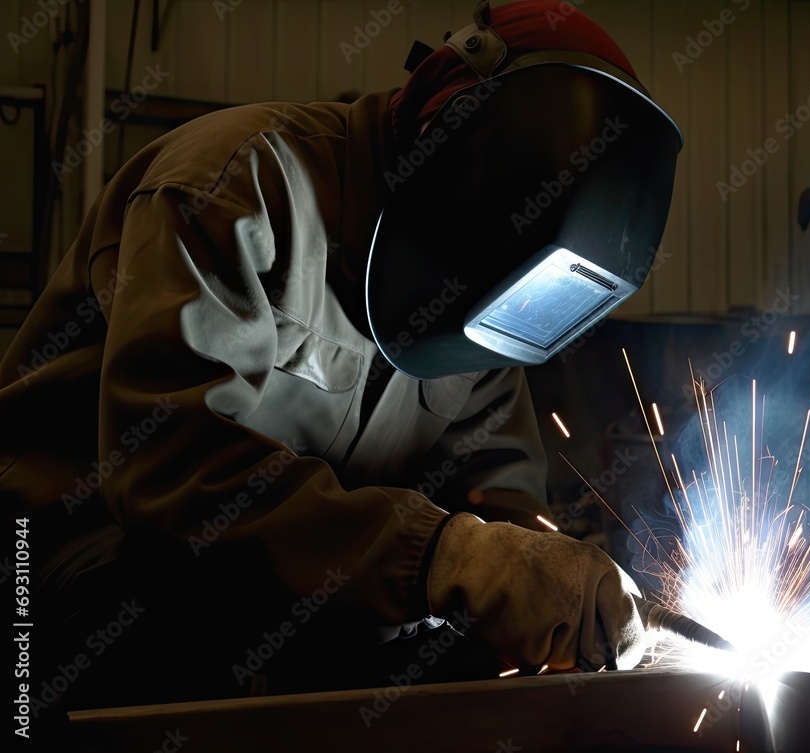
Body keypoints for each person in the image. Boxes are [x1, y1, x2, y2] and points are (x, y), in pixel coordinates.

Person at [0, 0, 681, 735]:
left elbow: (501, 519)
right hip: (64, 569)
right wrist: (444, 556)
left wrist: (541, 586)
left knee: (455, 647)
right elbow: (169, 472)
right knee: (179, 596)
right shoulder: (240, 185)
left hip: (297, 595)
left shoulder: (491, 312)